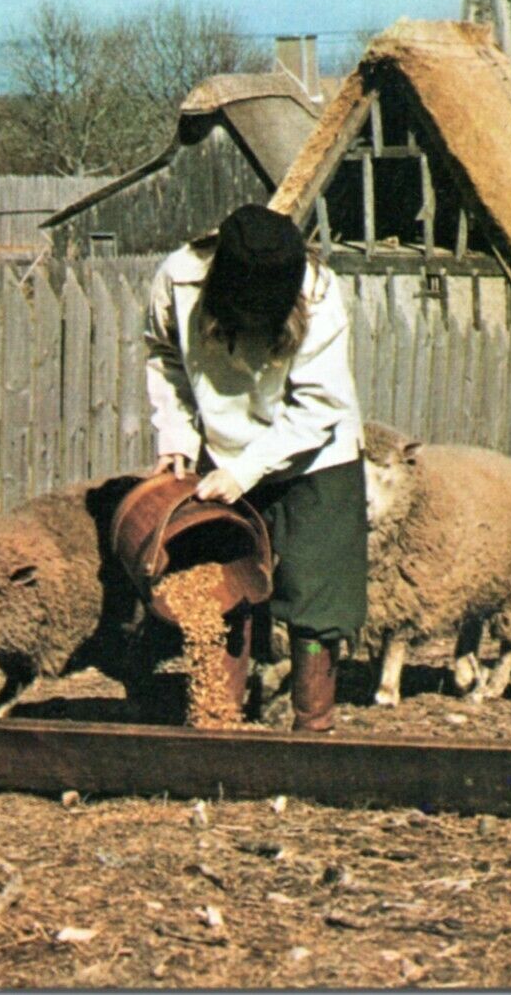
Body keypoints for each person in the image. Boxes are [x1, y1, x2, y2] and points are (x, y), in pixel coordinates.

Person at [145, 204, 367, 732]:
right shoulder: (178, 277)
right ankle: (218, 720)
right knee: (220, 583)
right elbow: (166, 355)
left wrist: (247, 472)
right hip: (222, 450)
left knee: (317, 594)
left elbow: (319, 404)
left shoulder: (319, 293)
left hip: (316, 453)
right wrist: (176, 436)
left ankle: (313, 727)